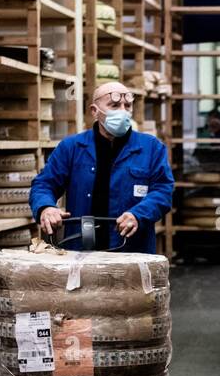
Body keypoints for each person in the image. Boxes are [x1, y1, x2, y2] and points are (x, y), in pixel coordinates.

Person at [29, 81, 174, 253]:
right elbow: (44, 184)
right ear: (95, 112)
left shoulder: (151, 147)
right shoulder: (72, 147)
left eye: (127, 106)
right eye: (114, 105)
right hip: (81, 250)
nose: (122, 111)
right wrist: (46, 207)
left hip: (132, 251)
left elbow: (163, 191)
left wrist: (138, 214)